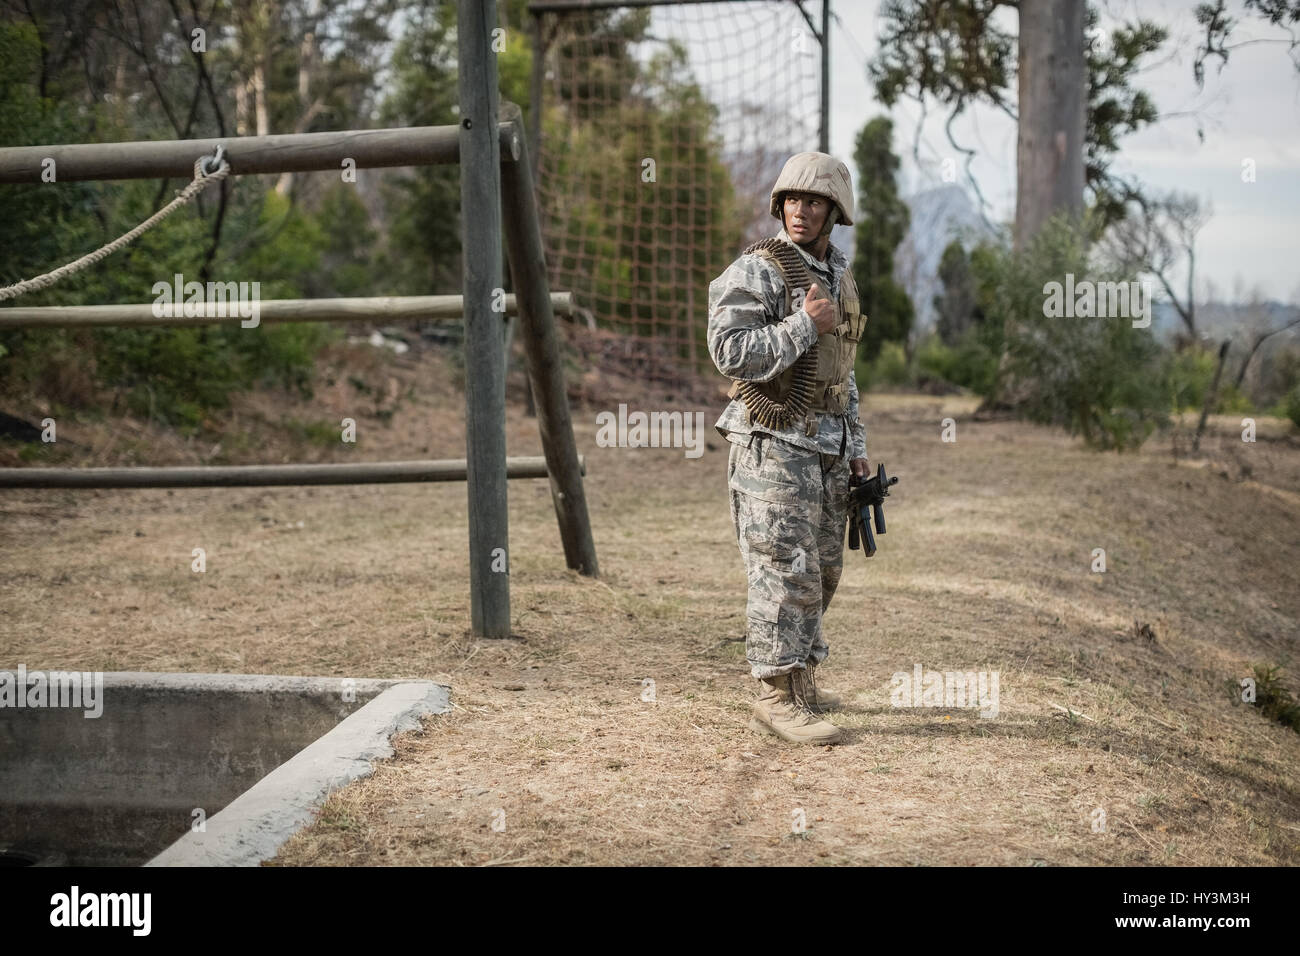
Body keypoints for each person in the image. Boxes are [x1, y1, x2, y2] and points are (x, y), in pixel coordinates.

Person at [706, 151, 868, 746]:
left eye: (815, 201)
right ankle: (775, 694)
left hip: (827, 448)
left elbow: (842, 372)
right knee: (782, 569)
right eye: (793, 200)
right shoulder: (759, 270)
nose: (801, 211)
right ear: (781, 206)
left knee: (823, 569)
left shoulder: (838, 275)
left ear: (835, 212)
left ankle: (802, 680)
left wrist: (858, 448)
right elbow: (728, 352)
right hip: (772, 443)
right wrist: (803, 326)